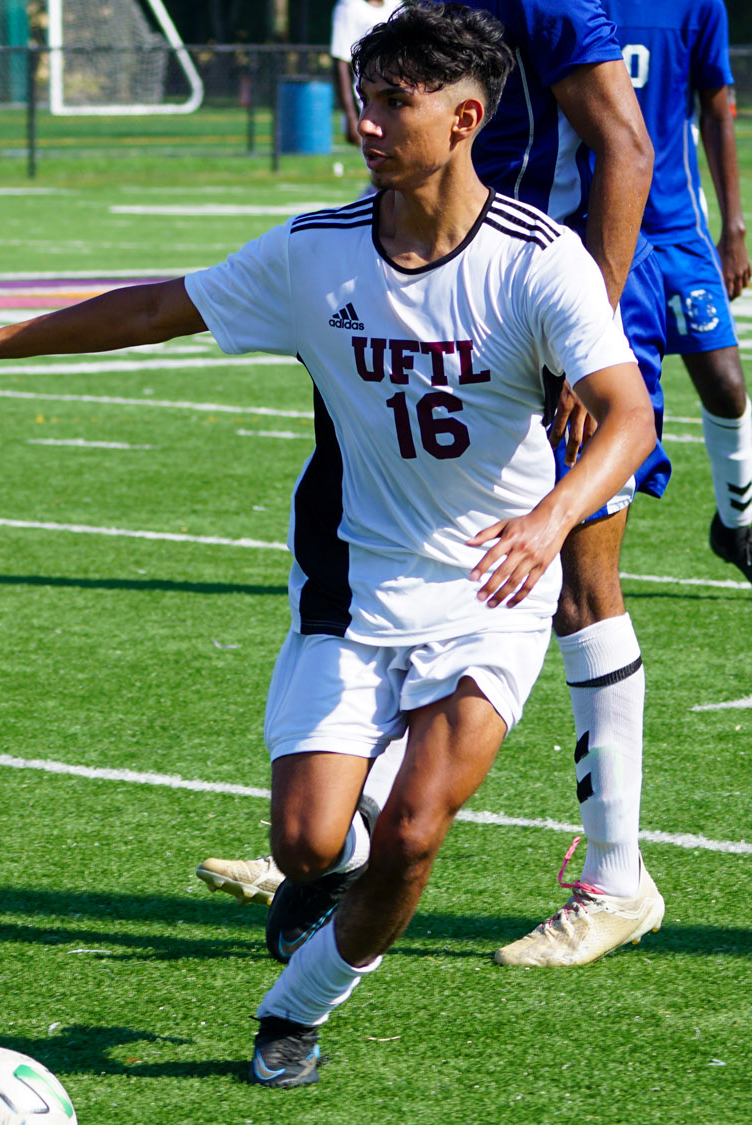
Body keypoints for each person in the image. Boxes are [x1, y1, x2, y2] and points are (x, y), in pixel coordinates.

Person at [0, 3, 655, 1087]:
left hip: (491, 588)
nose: (368, 123)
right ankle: (324, 879)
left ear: (466, 117)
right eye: (363, 98)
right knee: (306, 843)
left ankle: (293, 1012)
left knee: (416, 834)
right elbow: (162, 307)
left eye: (394, 102)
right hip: (351, 581)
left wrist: (547, 518)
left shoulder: (539, 263)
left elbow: (629, 417)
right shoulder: (315, 252)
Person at [202, 0, 673, 972]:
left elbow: (624, 147)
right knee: (378, 515)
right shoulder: (424, 24)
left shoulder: (540, 9)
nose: (364, 119)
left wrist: (594, 331)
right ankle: (333, 832)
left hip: (542, 312)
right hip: (416, 283)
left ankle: (615, 876)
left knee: (577, 585)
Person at [613, 0, 752, 604]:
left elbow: (717, 110)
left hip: (674, 230)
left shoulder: (698, 5)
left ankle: (736, 532)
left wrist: (734, 226)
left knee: (725, 384)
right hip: (595, 226)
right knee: (585, 397)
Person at [329, 0, 403, 147]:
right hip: (368, 102)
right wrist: (351, 117)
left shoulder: (397, 5)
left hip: (398, 98)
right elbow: (341, 63)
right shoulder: (348, 7)